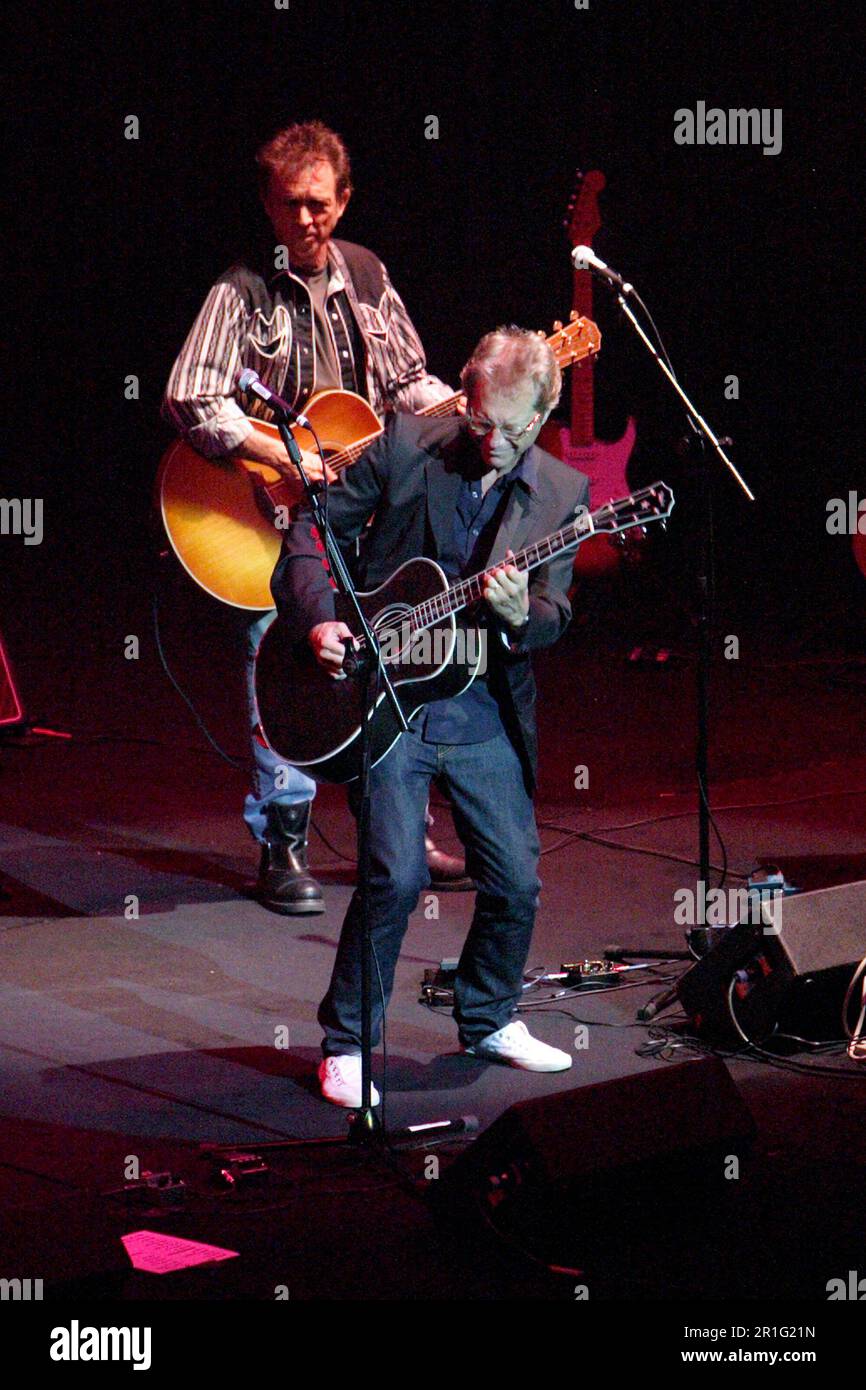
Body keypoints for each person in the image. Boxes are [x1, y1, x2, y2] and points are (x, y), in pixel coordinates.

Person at [272, 326, 591, 1106]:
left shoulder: (560, 493)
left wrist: (522, 615)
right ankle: (347, 1042)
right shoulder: (408, 445)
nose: (492, 444)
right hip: (385, 700)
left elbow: (556, 610)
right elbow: (309, 535)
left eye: (513, 430)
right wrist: (319, 618)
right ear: (465, 396)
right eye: (481, 424)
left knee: (515, 878)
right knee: (395, 874)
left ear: (545, 412)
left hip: (480, 703)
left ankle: (487, 1016)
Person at [162, 120, 465, 914]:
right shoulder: (242, 289)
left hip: (363, 510)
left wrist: (464, 410)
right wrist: (278, 456)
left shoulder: (366, 275)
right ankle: (283, 841)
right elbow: (189, 392)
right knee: (283, 655)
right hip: (273, 507)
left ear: (344, 200)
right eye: (290, 204)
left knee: (399, 651)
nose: (306, 220)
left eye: (320, 204)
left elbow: (407, 381)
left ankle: (399, 829)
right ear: (267, 204)